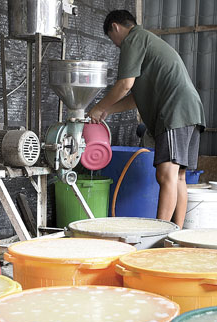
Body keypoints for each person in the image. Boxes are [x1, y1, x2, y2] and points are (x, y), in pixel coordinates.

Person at [88, 10, 205, 228]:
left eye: (113, 40)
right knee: (178, 176)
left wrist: (97, 108)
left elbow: (125, 85)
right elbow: (135, 97)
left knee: (166, 175)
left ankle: (159, 233)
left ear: (115, 27)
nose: (116, 45)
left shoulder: (133, 39)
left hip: (174, 111)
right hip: (191, 110)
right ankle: (176, 233)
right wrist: (108, 111)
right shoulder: (148, 42)